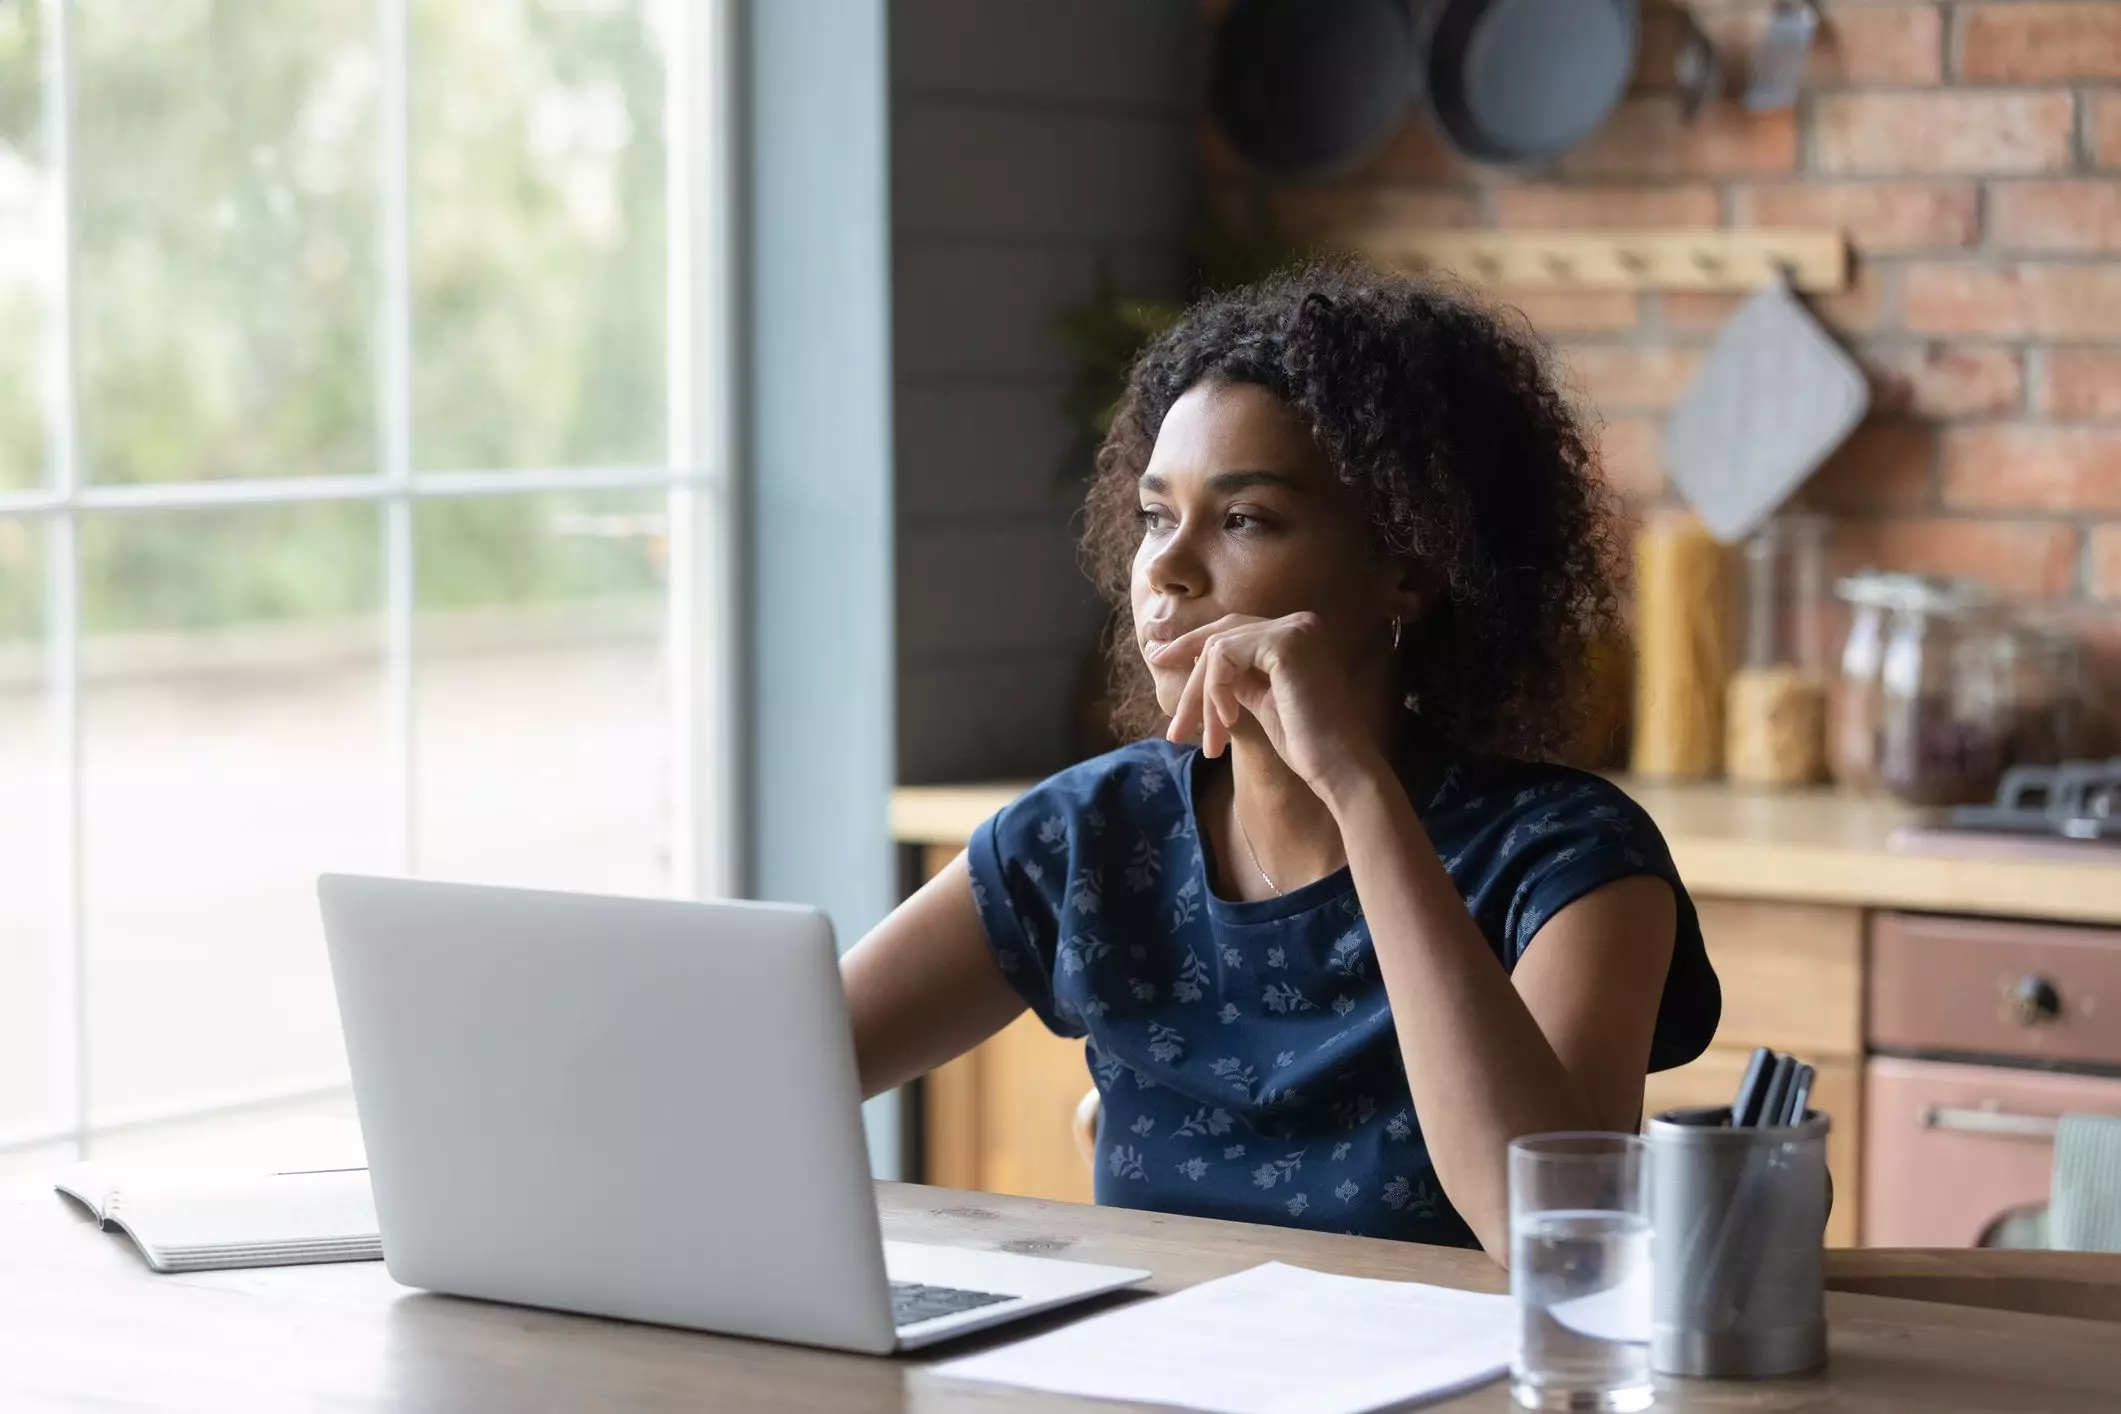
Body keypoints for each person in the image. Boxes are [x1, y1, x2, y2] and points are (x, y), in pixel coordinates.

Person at [842, 259, 1718, 1260]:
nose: (1166, 567)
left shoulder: (1570, 862)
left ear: (1409, 564)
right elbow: (765, 1074)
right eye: (1157, 515)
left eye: (1245, 518)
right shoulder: (1091, 834)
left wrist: (1355, 785)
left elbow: (1551, 1238)